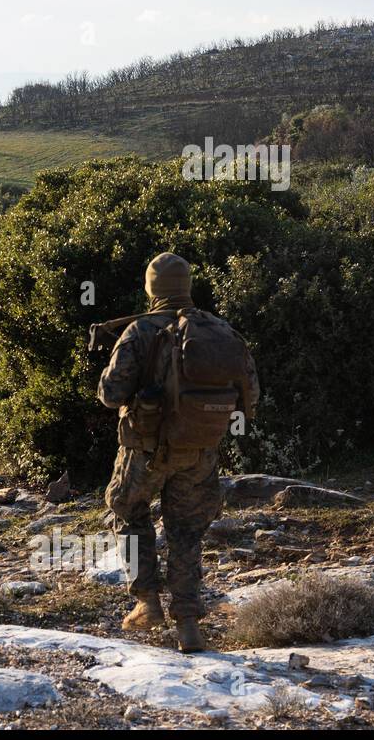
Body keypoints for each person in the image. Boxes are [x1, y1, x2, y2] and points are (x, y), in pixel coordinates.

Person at [97, 253, 259, 653]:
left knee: (129, 513)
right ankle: (188, 623)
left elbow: (109, 395)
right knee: (186, 531)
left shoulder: (139, 331)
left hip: (145, 450)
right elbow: (249, 395)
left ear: (151, 288)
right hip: (199, 450)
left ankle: (146, 603)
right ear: (187, 285)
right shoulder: (219, 330)